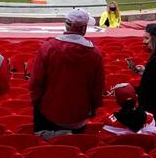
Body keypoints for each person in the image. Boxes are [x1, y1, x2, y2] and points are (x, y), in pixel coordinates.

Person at [29, 8, 105, 136]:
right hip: (79, 114)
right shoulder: (95, 54)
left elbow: (36, 81)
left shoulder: (48, 48)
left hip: (49, 111)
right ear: (83, 29)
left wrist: (36, 103)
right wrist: (94, 107)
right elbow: (98, 86)